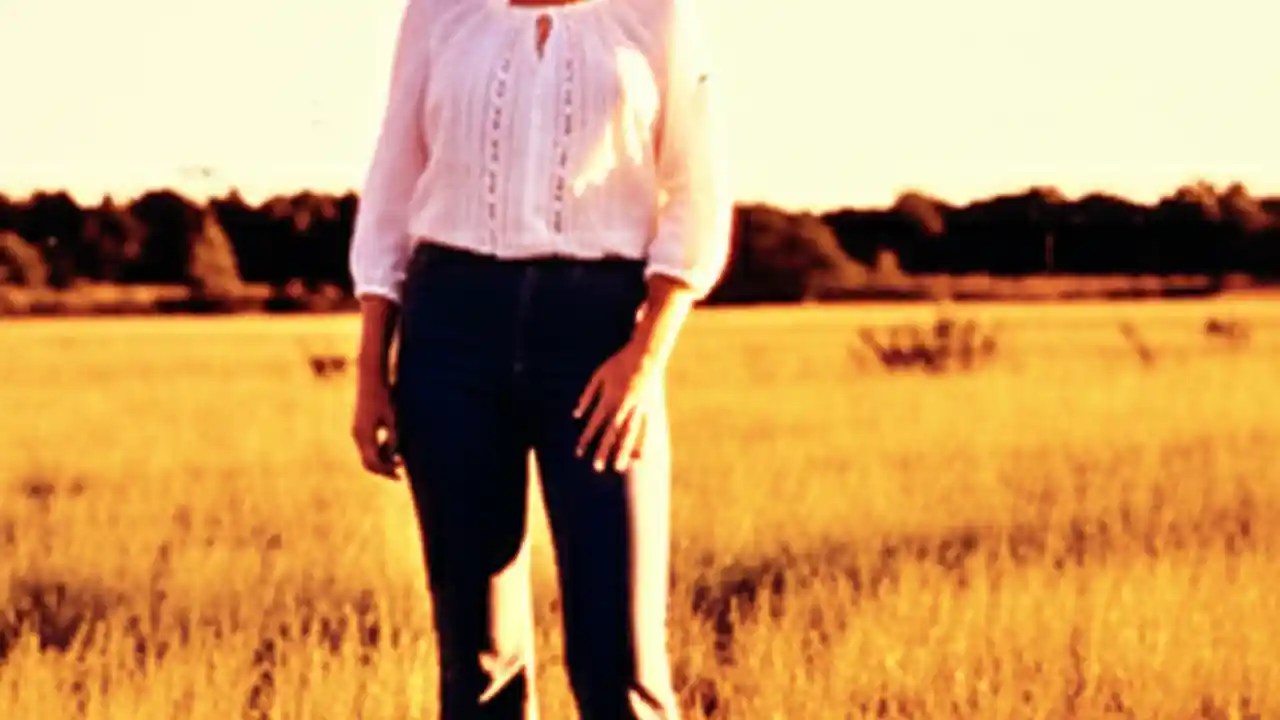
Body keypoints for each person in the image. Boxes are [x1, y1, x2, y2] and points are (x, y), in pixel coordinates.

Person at [347, 0, 731, 716]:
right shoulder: (440, 12)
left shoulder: (657, 15)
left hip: (600, 338)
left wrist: (645, 359)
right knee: (479, 659)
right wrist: (371, 368)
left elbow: (697, 194)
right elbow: (393, 183)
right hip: (448, 336)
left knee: (619, 658)